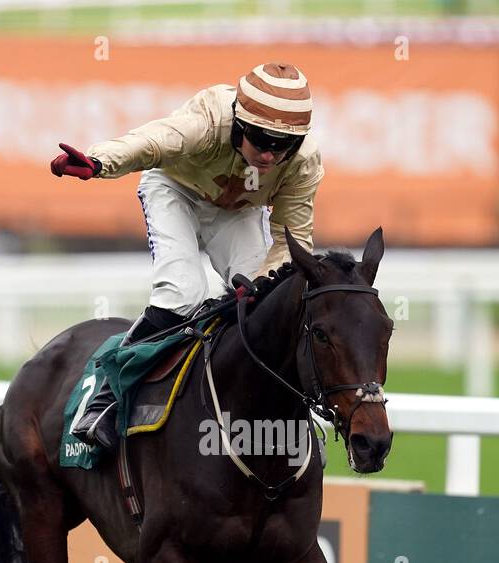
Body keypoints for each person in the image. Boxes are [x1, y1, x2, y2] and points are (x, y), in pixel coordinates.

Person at [51, 61, 323, 450]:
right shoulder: (211, 121)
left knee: (270, 305)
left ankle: (285, 419)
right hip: (174, 189)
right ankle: (107, 396)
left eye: (282, 147)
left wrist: (260, 283)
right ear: (241, 126)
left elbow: (291, 241)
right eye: (261, 141)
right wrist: (98, 161)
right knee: (181, 295)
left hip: (238, 210)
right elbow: (151, 143)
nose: (268, 157)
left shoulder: (304, 161)